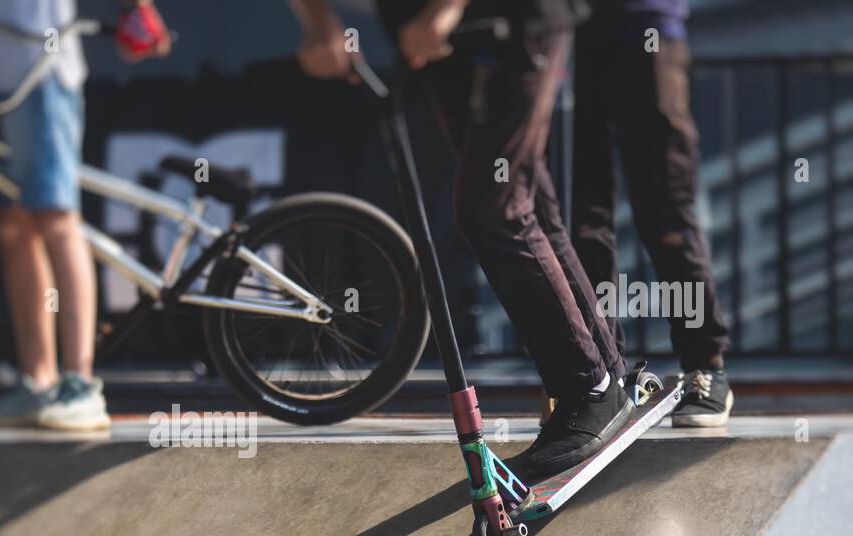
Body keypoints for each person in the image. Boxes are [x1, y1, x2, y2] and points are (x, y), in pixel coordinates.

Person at [291, 0, 632, 479]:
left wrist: (445, 11)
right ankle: (605, 373)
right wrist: (319, 23)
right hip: (443, 45)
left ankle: (587, 387)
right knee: (526, 200)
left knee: (494, 209)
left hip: (513, 24)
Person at [0, 0, 170, 431]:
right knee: (11, 226)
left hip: (39, 67)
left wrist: (137, 7)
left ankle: (81, 385)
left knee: (55, 218)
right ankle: (37, 382)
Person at [572, 0, 734, 426]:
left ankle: (705, 366)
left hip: (647, 27)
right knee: (582, 221)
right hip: (565, 32)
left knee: (666, 212)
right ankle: (602, 378)